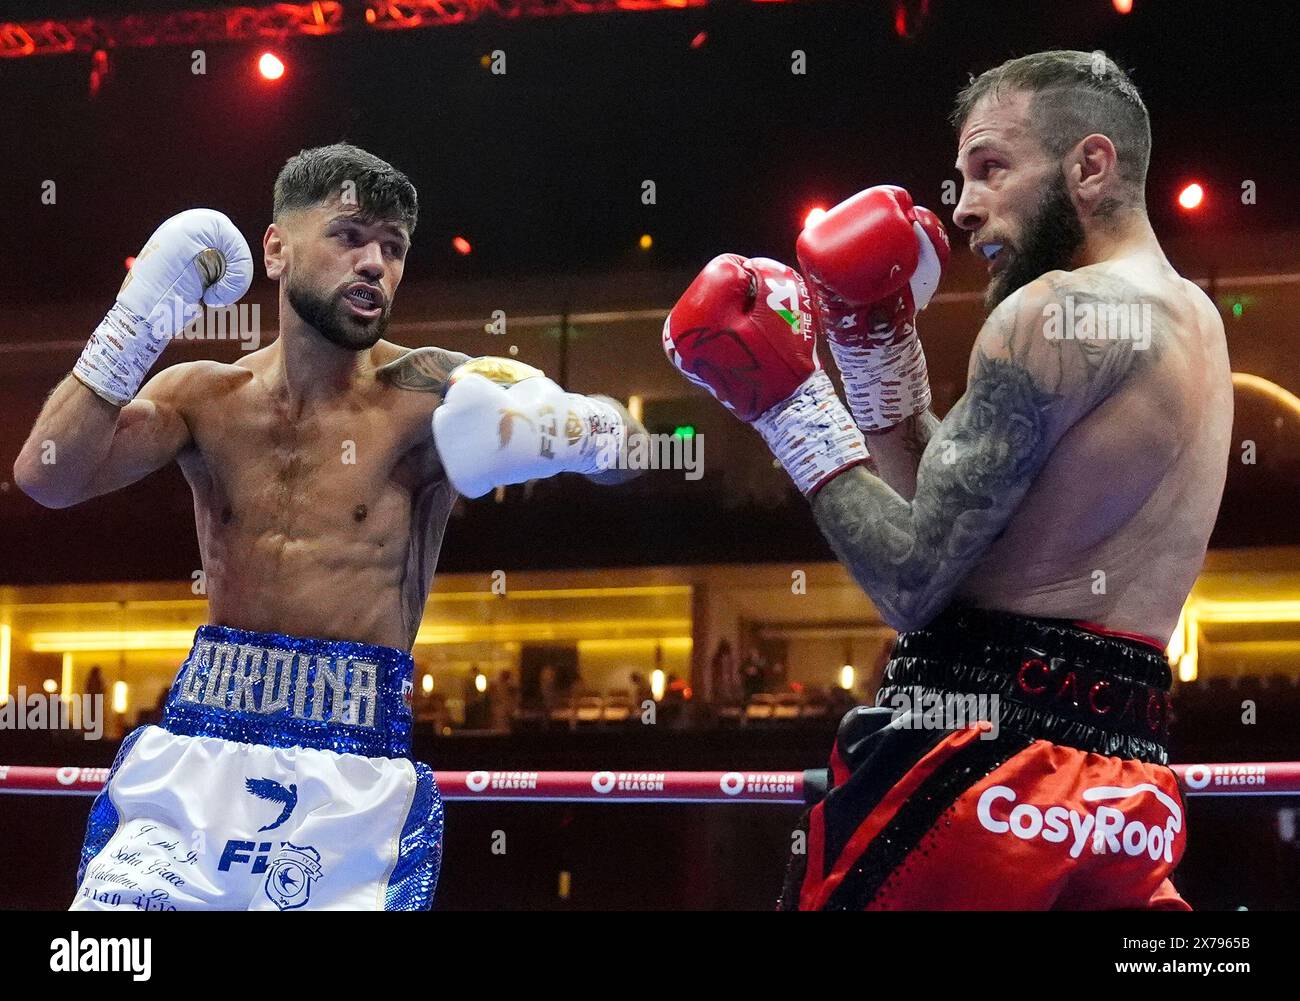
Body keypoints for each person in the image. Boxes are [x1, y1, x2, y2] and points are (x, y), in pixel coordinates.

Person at [664, 50, 1231, 909]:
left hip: (978, 761)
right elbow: (956, 508)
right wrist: (874, 353)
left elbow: (913, 578)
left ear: (1090, 165)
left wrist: (790, 402)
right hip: (1129, 788)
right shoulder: (1196, 321)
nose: (963, 207)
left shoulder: (1048, 313)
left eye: (992, 169)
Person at [14, 143, 643, 911]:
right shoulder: (205, 395)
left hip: (349, 775)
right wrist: (133, 325)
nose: (376, 262)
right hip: (198, 747)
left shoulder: (431, 391)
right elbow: (48, 475)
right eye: (350, 235)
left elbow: (631, 450)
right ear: (276, 248)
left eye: (394, 247)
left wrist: (572, 427)